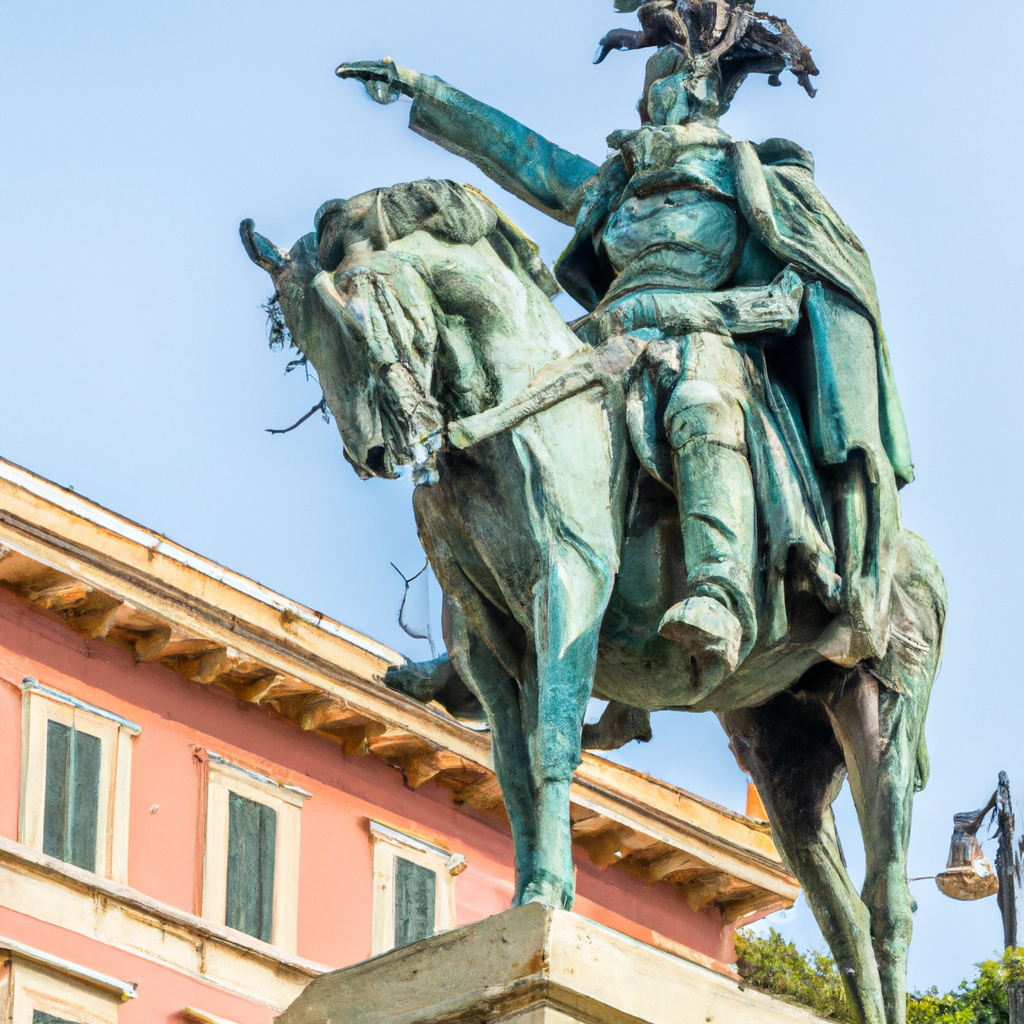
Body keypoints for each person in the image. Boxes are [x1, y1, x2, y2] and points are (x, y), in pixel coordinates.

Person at [338, 0, 913, 672]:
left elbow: (793, 297)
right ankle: (479, 638)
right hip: (604, 344)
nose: (652, 101)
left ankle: (717, 593)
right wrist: (422, 89)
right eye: (649, 88)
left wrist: (702, 315)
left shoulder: (746, 180)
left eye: (667, 83)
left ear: (703, 95)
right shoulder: (617, 188)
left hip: (709, 344)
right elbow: (527, 157)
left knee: (701, 400)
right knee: (489, 425)